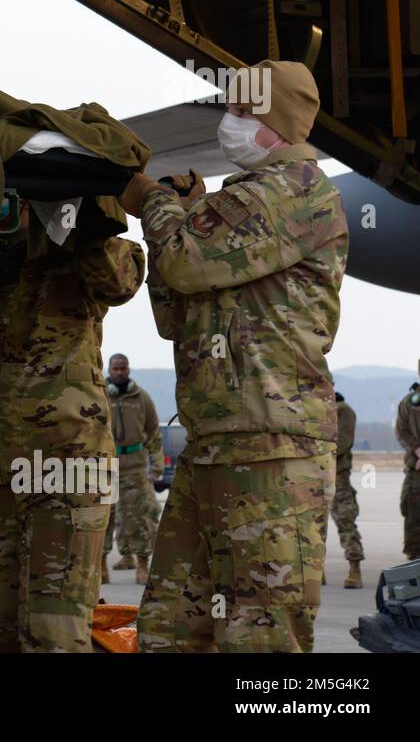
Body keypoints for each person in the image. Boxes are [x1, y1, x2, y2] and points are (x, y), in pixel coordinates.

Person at [120, 59, 348, 653]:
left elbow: (187, 261)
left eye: (244, 112)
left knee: (261, 636)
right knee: (169, 629)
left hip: (273, 450)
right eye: (228, 109)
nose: (229, 123)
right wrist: (182, 214)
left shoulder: (294, 189)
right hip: (215, 444)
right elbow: (177, 314)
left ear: (279, 124)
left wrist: (152, 201)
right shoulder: (238, 204)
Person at [0, 203, 145, 652]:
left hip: (65, 464)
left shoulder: (83, 248)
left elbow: (118, 281)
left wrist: (75, 209)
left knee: (57, 632)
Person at [102, 353, 163, 585]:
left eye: (123, 368)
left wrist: (156, 467)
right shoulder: (101, 395)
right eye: (115, 369)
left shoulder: (141, 398)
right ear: (109, 370)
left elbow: (154, 434)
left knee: (140, 518)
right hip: (105, 467)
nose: (119, 372)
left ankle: (142, 565)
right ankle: (101, 568)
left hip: (134, 467)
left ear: (129, 369)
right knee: (102, 519)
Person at [331, 392, 364, 588]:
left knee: (345, 520)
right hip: (311, 474)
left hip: (336, 475)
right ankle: (315, 573)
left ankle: (354, 567)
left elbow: (341, 443)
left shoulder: (342, 410)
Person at [397, 374, 420, 561]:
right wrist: (417, 450)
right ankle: (413, 561)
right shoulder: (409, 403)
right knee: (412, 513)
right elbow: (401, 431)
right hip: (416, 469)